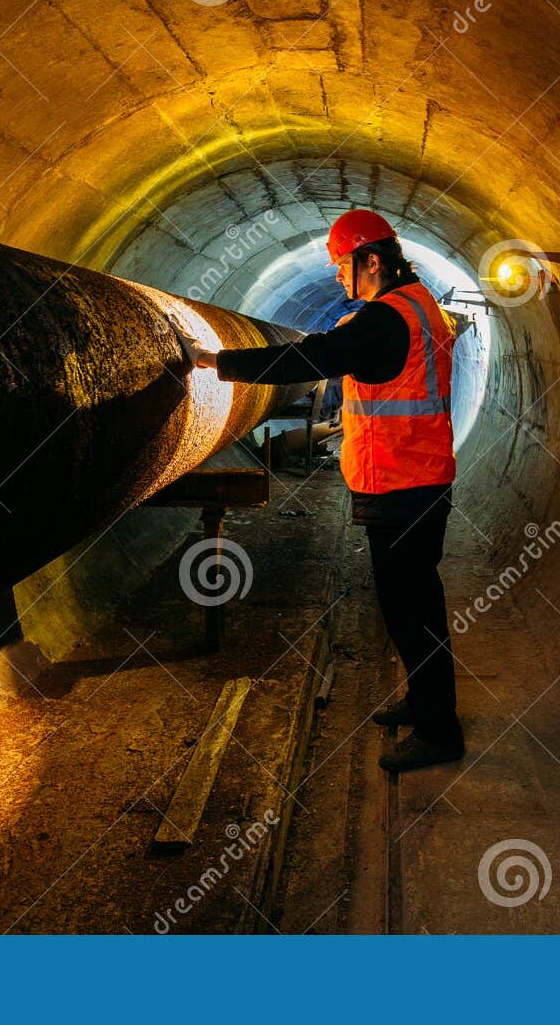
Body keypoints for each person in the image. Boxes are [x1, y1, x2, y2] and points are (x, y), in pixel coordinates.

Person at [184, 209, 464, 772]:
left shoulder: (387, 319)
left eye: (343, 266)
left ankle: (440, 731)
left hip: (403, 486)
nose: (338, 277)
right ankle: (425, 700)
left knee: (412, 609)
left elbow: (309, 357)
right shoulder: (416, 307)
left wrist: (220, 362)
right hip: (409, 479)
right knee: (408, 605)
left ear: (372, 262)